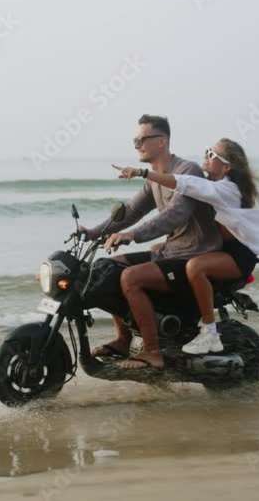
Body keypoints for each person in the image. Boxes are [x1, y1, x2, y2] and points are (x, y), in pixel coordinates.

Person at [112, 138, 259, 355]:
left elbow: (187, 184)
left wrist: (143, 172)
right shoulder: (214, 185)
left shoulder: (226, 188)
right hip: (220, 248)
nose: (206, 156)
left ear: (226, 167)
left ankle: (210, 333)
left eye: (212, 155)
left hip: (237, 255)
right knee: (157, 249)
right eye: (206, 151)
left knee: (195, 267)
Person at [80, 115, 221, 370]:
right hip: (171, 252)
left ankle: (152, 352)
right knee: (107, 269)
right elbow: (131, 212)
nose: (136, 145)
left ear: (161, 141)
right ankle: (124, 339)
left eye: (140, 139)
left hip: (193, 254)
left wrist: (132, 235)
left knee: (130, 278)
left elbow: (175, 214)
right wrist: (92, 232)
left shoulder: (187, 171)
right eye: (135, 140)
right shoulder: (154, 178)